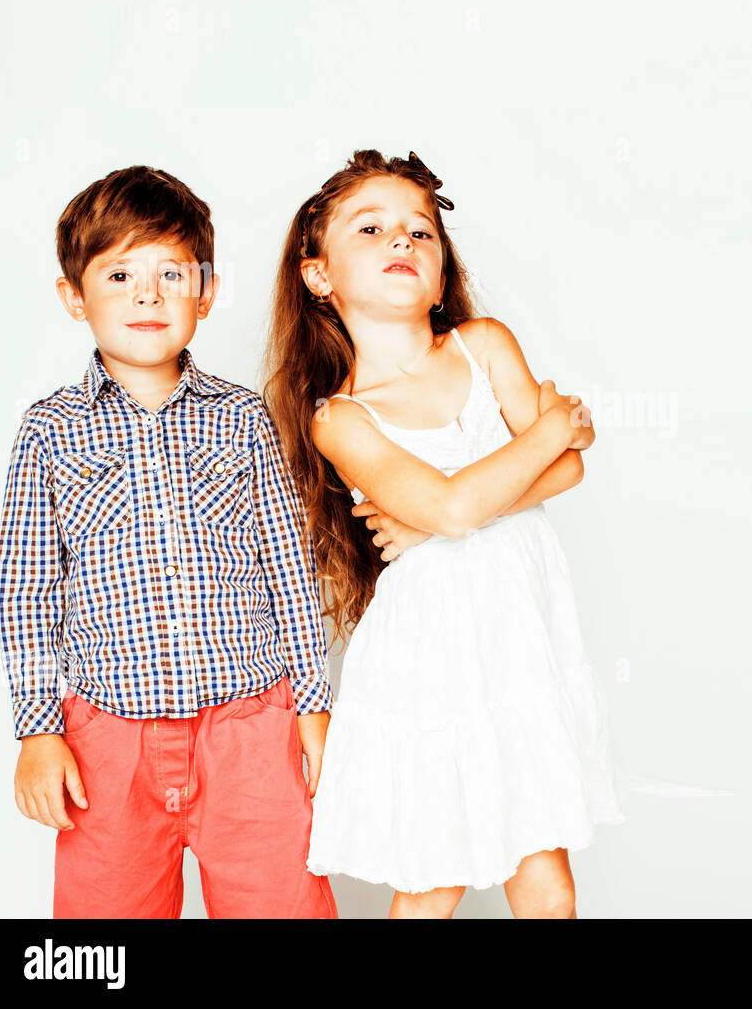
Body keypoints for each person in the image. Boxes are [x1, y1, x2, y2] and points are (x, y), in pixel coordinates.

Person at [262, 149, 625, 918]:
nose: (402, 241)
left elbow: (567, 475)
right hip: (428, 652)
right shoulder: (341, 416)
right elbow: (472, 498)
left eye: (420, 232)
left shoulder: (484, 345)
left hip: (517, 641)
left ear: (440, 264)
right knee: (433, 877)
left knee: (546, 875)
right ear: (319, 274)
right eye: (372, 229)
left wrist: (440, 521)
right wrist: (555, 425)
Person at [0, 164, 350, 918]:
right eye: (119, 273)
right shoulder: (49, 430)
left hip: (250, 726)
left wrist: (313, 704)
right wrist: (37, 729)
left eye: (171, 273)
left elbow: (287, 567)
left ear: (207, 291)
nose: (147, 294)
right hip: (107, 737)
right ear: (73, 296)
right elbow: (26, 591)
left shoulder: (243, 418)